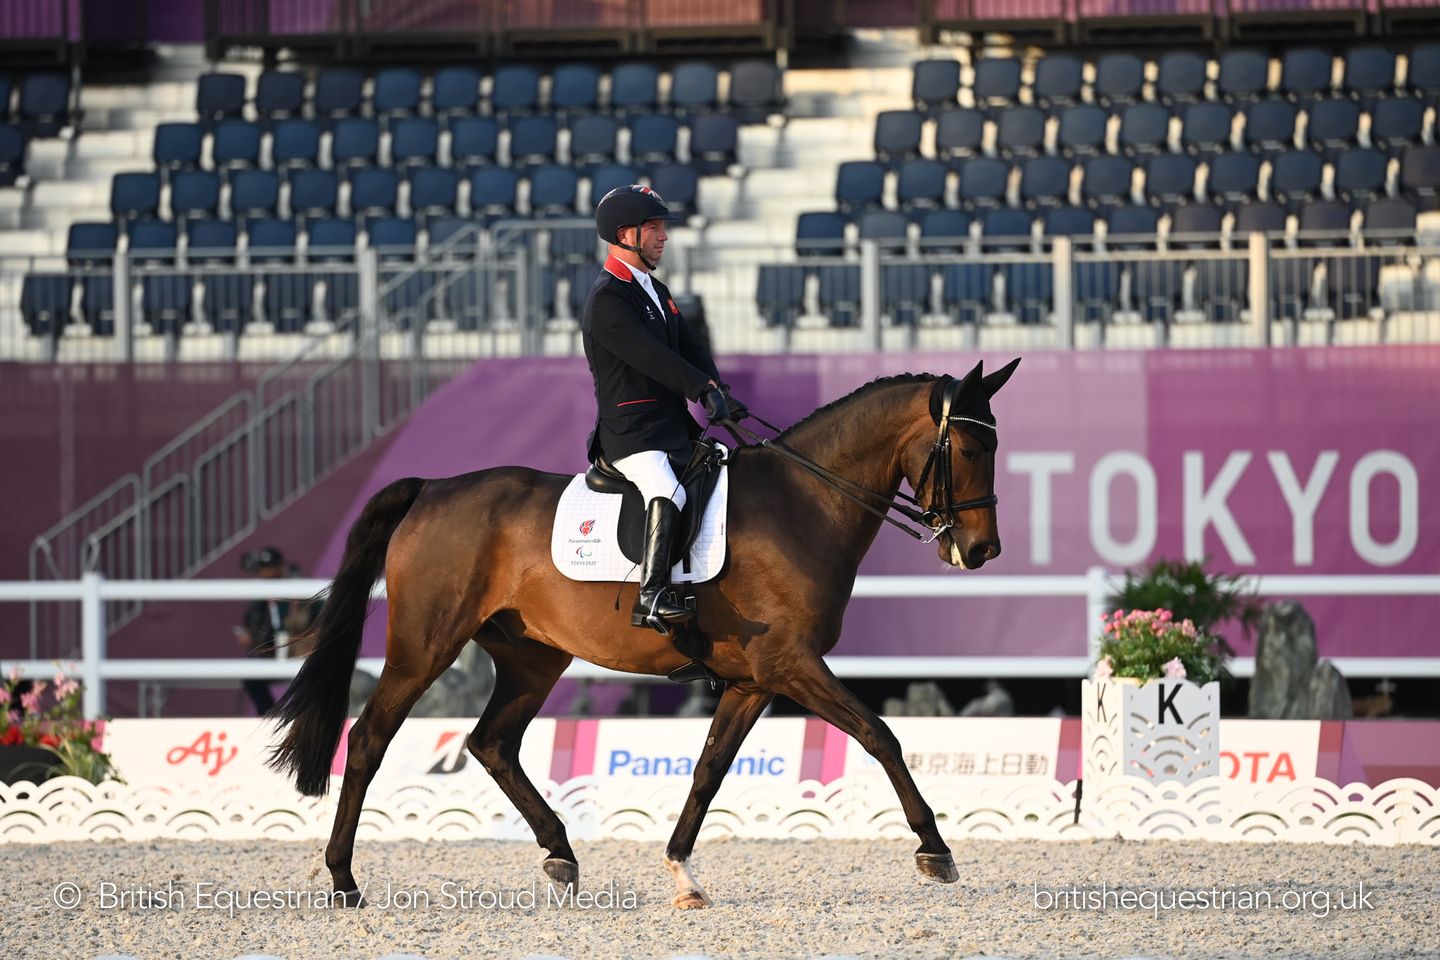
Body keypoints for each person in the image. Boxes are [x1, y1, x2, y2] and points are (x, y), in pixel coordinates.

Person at [581, 184, 747, 633]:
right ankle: (651, 596)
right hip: (632, 434)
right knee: (668, 491)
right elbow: (651, 357)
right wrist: (699, 389)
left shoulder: (655, 288)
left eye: (661, 227)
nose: (663, 236)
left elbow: (690, 347)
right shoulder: (608, 299)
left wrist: (717, 388)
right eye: (653, 227)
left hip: (671, 429)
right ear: (624, 234)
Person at [233, 546, 319, 715]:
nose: (266, 575)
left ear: (281, 568)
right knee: (251, 674)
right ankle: (270, 718)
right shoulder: (261, 596)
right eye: (263, 571)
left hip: (301, 653)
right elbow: (251, 623)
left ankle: (308, 718)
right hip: (272, 654)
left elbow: (323, 617)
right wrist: (250, 637)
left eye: (271, 571)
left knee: (315, 679)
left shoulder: (299, 589)